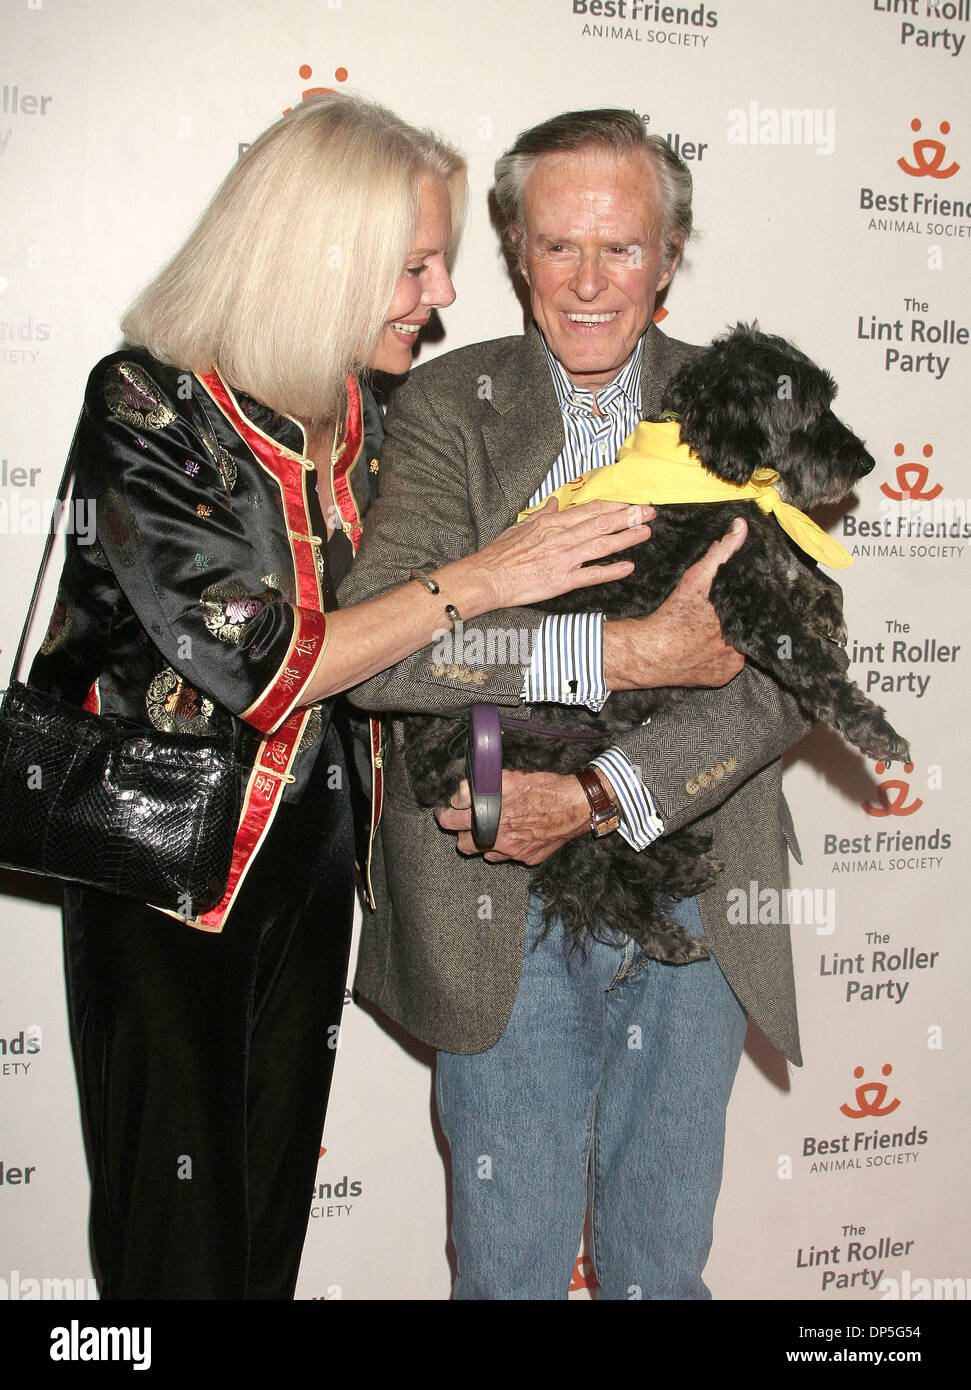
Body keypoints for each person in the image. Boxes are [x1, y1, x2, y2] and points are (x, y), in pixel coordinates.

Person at [27, 94, 660, 1300]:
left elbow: (440, 656)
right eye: (414, 265)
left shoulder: (369, 413)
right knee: (177, 1241)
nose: (440, 294)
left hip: (315, 859)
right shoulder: (150, 404)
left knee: (266, 1218)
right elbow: (266, 661)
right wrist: (480, 576)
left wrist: (547, 747)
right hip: (168, 866)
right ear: (321, 257)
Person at [339, 108, 813, 1300]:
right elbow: (386, 657)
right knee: (508, 1269)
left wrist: (605, 791)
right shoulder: (444, 405)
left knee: (660, 1264)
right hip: (493, 877)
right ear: (512, 248)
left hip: (695, 865)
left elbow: (783, 672)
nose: (590, 282)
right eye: (558, 247)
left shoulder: (748, 411)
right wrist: (626, 653)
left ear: (670, 253)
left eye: (621, 248)